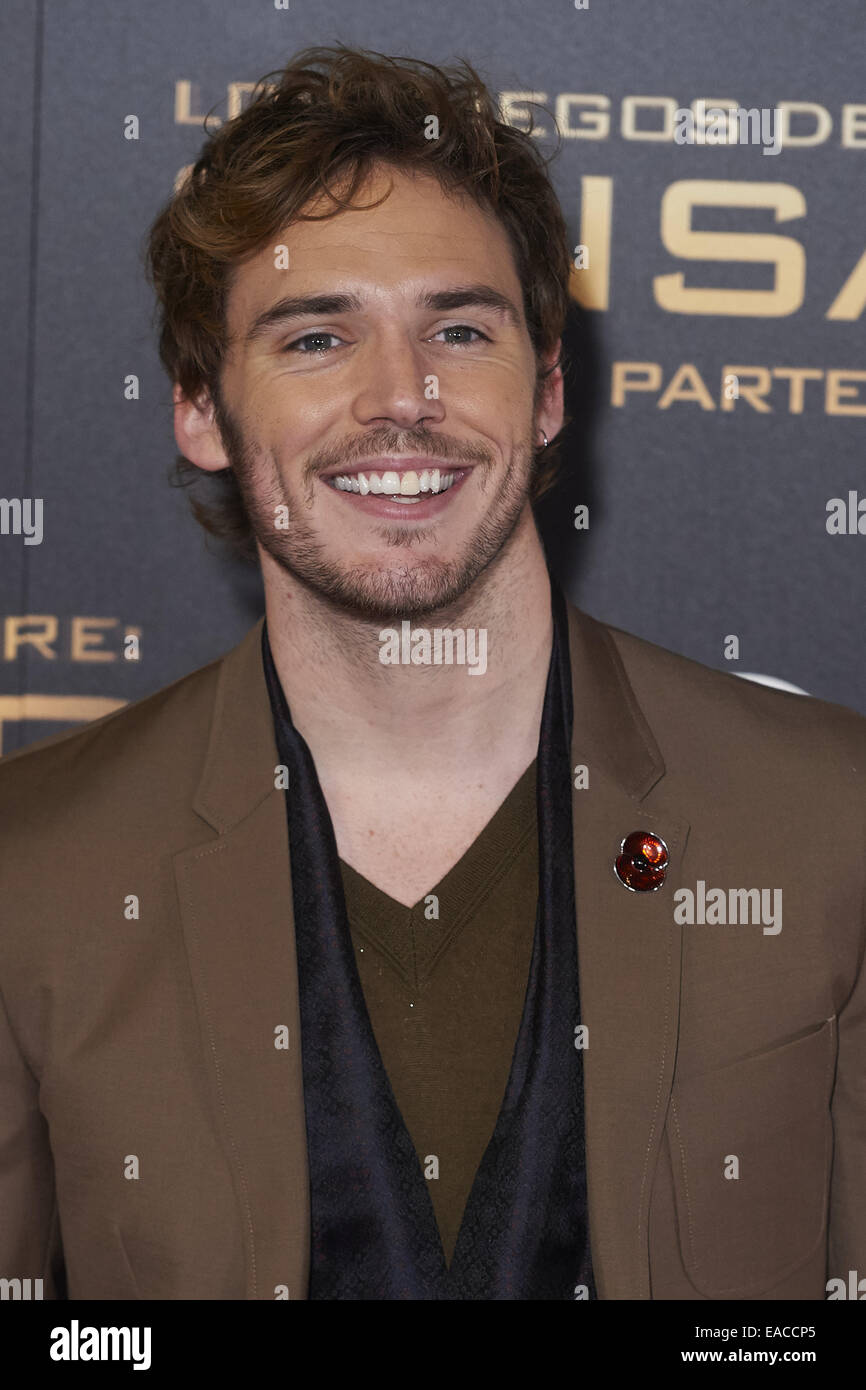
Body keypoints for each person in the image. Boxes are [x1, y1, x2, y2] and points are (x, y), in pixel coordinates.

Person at [0, 44, 863, 1301]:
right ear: (199, 404)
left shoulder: (829, 825)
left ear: (548, 388)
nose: (400, 398)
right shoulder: (35, 869)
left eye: (458, 328)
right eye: (313, 339)